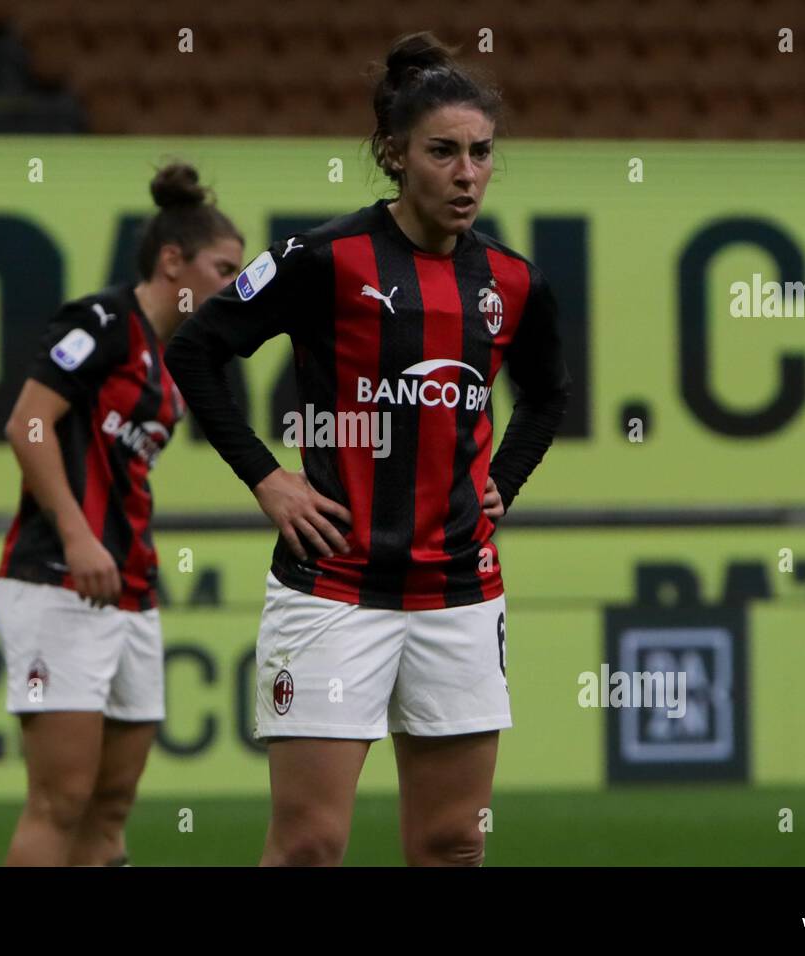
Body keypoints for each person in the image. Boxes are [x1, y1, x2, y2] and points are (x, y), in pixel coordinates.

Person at [164, 32, 570, 866]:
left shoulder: (514, 282)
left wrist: (505, 481)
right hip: (333, 586)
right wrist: (267, 479)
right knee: (310, 846)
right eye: (443, 152)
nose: (467, 174)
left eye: (482, 153)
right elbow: (194, 350)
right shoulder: (322, 260)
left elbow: (547, 394)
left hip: (458, 590)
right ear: (393, 155)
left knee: (454, 842)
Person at [0, 162, 243, 866]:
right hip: (58, 582)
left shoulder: (173, 362)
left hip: (131, 590)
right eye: (223, 269)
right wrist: (76, 536)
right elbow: (28, 425)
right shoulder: (101, 321)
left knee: (109, 809)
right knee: (60, 802)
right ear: (173, 261)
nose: (234, 286)